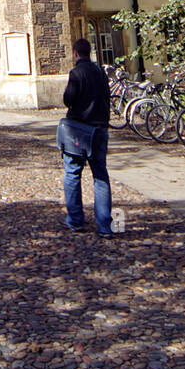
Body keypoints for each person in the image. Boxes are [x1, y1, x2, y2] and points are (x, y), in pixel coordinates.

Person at [60, 38, 113, 236]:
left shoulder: (76, 73)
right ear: (89, 52)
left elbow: (68, 100)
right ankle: (105, 226)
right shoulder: (100, 72)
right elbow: (107, 97)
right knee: (100, 176)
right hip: (100, 129)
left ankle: (75, 220)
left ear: (75, 53)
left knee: (73, 173)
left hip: (79, 131)